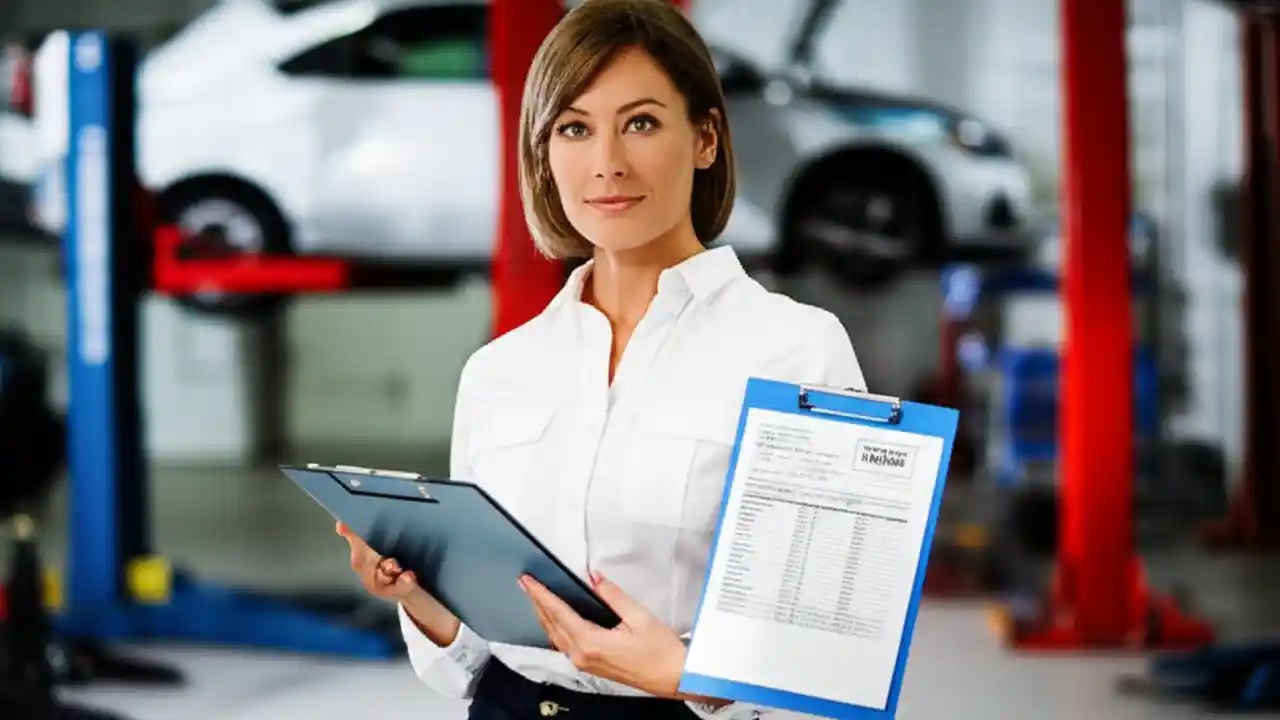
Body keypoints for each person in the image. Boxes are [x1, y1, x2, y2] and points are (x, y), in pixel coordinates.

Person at [337, 1, 867, 718]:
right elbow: (468, 661)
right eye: (574, 128)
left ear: (706, 137)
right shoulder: (499, 371)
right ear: (544, 152)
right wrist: (420, 595)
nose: (607, 163)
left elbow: (834, 658)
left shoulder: (799, 351)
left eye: (641, 122)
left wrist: (691, 675)